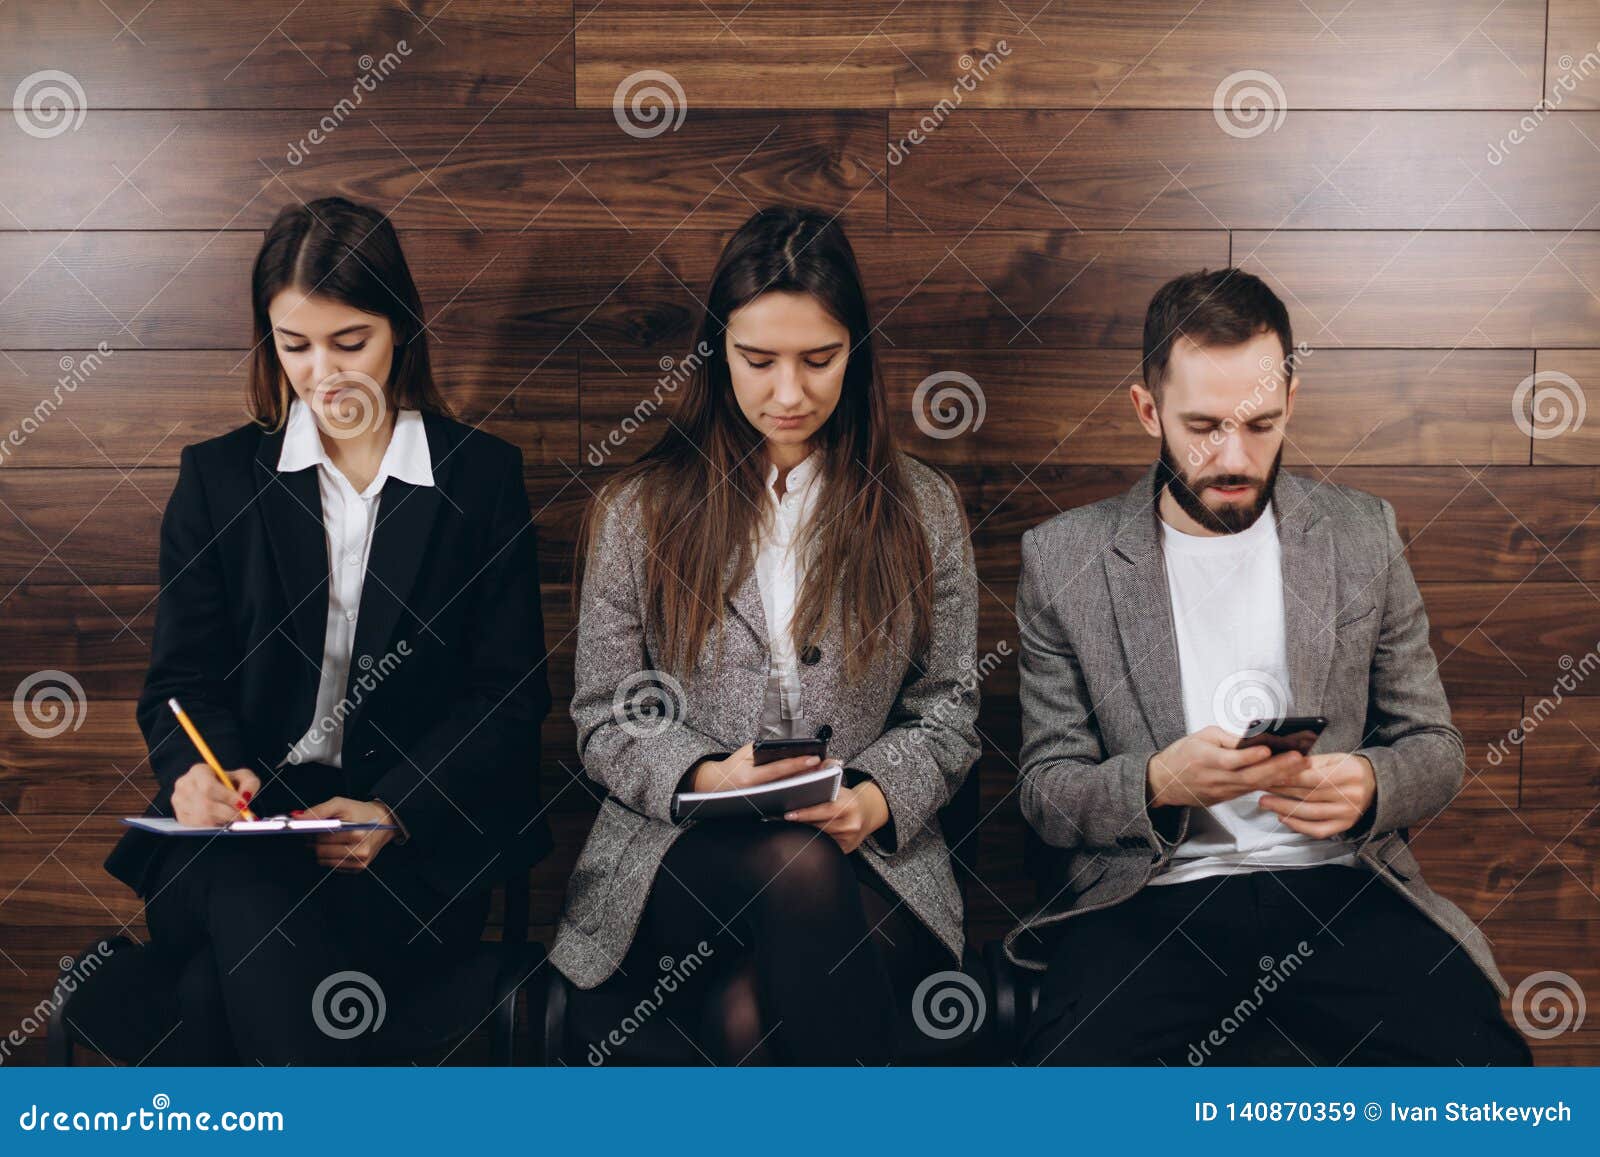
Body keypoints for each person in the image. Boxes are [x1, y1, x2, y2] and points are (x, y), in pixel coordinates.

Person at [1006, 268, 1532, 1066]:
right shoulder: (1064, 558)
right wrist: (1156, 781)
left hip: (1341, 889)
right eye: (1204, 426)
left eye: (1260, 424)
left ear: (1292, 401)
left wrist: (1370, 784)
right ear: (1147, 409)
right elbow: (1046, 790)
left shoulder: (1362, 535)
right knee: (1069, 1103)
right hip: (1149, 899)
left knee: (1489, 1079)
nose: (1234, 456)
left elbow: (1436, 746)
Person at [98, 196, 552, 1064]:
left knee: (207, 991)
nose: (323, 374)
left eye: (351, 343)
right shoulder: (218, 478)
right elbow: (180, 682)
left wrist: (398, 810)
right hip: (241, 838)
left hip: (402, 850)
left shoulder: (481, 479)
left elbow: (506, 695)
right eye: (293, 345)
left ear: (402, 331)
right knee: (244, 883)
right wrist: (200, 775)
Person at [549, 205, 980, 1065]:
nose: (790, 392)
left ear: (855, 352)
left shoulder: (921, 508)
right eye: (759, 360)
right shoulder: (636, 512)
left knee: (749, 1014)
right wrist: (707, 774)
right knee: (792, 864)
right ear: (718, 353)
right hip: (677, 859)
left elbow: (951, 706)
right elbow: (603, 715)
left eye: (819, 360)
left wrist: (874, 798)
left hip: (873, 864)